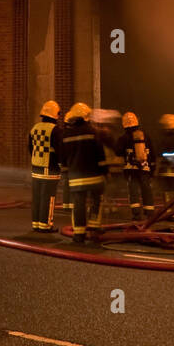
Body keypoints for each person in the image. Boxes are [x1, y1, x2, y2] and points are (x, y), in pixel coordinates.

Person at [59, 103, 106, 243]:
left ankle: (79, 234)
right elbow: (100, 154)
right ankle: (94, 227)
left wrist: (66, 172)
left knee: (78, 204)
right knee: (97, 200)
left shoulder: (66, 134)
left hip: (76, 178)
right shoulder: (93, 131)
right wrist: (105, 171)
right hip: (94, 176)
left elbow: (62, 157)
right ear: (86, 117)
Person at [28, 100, 63, 232]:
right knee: (48, 198)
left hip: (36, 168)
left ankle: (36, 224)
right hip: (50, 168)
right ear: (55, 114)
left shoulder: (35, 128)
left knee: (37, 196)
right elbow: (59, 150)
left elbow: (30, 148)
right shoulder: (55, 130)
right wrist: (62, 164)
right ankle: (46, 225)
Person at [117, 111, 155, 220]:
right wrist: (152, 169)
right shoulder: (146, 136)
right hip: (145, 168)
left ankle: (136, 213)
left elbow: (117, 151)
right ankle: (149, 212)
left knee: (133, 190)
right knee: (146, 189)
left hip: (131, 170)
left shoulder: (123, 138)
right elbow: (152, 153)